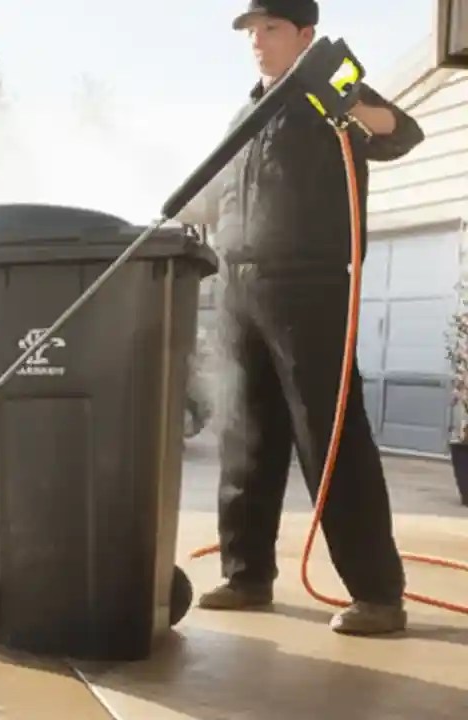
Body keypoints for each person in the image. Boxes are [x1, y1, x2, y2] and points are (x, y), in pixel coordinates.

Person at [176, 0, 425, 635]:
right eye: (251, 31)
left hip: (308, 286)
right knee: (246, 433)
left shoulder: (327, 92)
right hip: (239, 286)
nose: (257, 41)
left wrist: (344, 92)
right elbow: (217, 202)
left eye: (271, 29)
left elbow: (397, 131)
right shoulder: (242, 119)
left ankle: (377, 594)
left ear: (305, 35)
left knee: (330, 435)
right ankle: (246, 574)